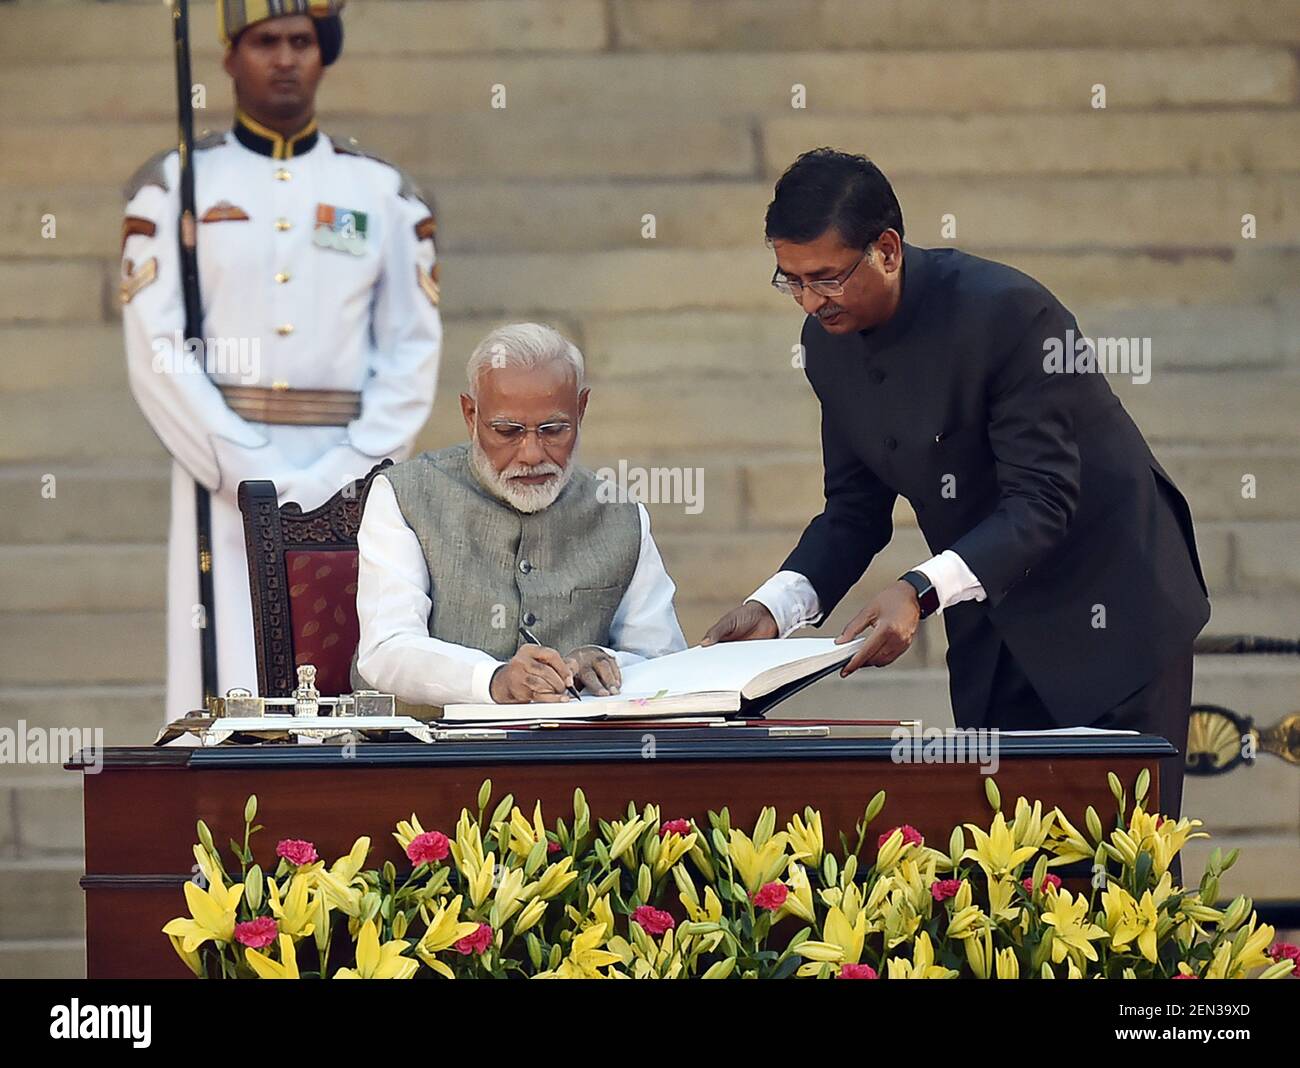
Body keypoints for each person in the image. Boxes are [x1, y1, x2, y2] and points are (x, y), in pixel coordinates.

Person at [703, 148, 1210, 819]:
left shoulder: (1010, 314)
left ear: (887, 249)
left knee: (1122, 873)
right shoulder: (826, 343)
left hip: (1110, 603)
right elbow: (854, 511)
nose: (808, 300)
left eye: (825, 278)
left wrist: (917, 591)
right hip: (991, 623)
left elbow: (1042, 499)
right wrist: (775, 607)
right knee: (1001, 875)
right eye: (789, 279)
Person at [121, 0, 441, 723]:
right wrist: (243, 465)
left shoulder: (381, 194)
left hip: (353, 474)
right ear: (231, 56)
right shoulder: (174, 186)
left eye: (302, 40)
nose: (286, 58)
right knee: (228, 673)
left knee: (347, 680)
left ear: (324, 53)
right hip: (221, 473)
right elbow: (157, 344)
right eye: (265, 41)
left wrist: (354, 472)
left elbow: (410, 346)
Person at [352, 323, 687, 709]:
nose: (531, 454)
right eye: (508, 431)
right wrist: (494, 681)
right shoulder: (405, 494)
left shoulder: (619, 514)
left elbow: (663, 659)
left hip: (575, 758)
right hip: (422, 757)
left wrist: (602, 662)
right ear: (470, 413)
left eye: (553, 430)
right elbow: (386, 648)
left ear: (581, 410)